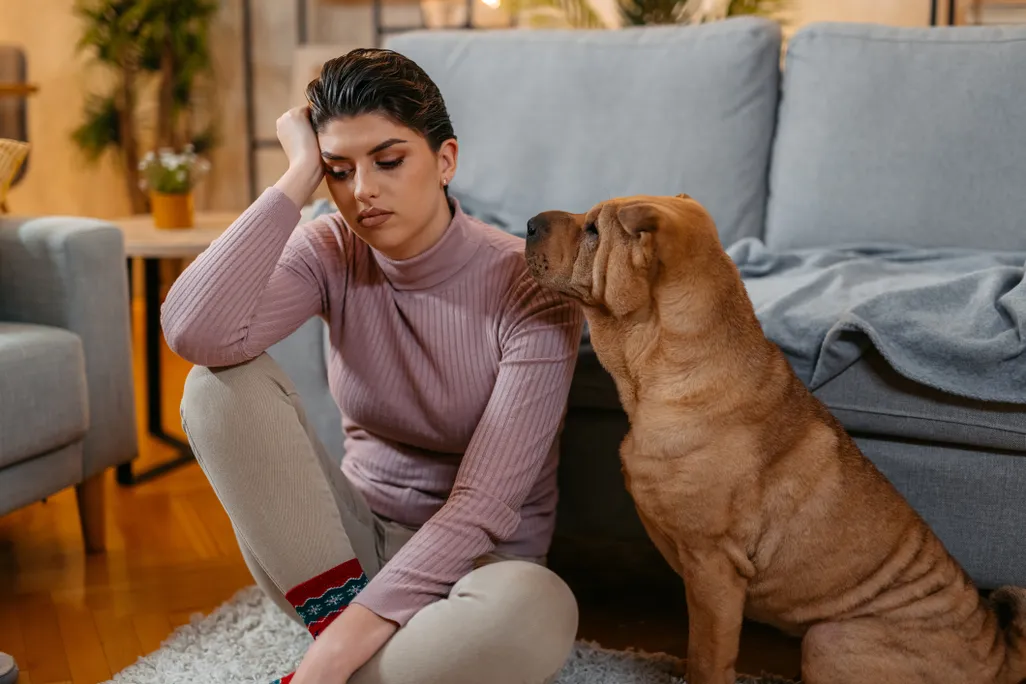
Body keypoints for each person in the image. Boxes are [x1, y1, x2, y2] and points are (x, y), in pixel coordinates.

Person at [161, 48, 584, 684]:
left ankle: (334, 660)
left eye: (389, 161)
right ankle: (350, 644)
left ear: (446, 160)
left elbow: (486, 503)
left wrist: (330, 657)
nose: (362, 191)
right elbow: (196, 331)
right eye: (338, 169)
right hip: (337, 561)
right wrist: (296, 178)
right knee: (218, 386)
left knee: (538, 609)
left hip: (475, 571)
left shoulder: (530, 286)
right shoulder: (331, 247)